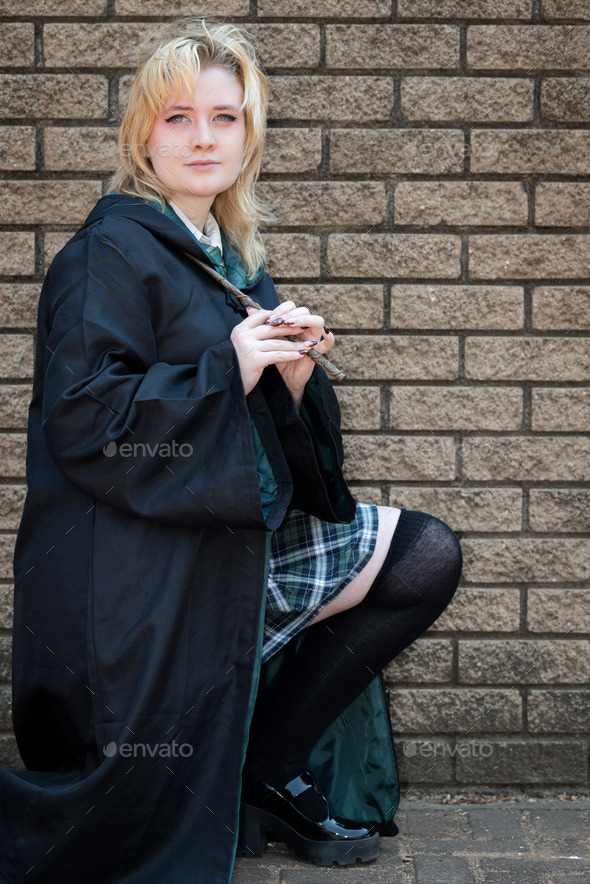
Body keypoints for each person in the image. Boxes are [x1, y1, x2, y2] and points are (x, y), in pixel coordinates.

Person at [0, 17, 463, 884]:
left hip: (224, 537)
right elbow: (86, 421)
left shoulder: (230, 258)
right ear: (143, 132)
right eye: (178, 118)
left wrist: (287, 374)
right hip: (139, 573)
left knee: (423, 556)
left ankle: (265, 766)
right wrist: (228, 364)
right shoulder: (108, 253)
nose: (203, 137)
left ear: (251, 133)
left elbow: (276, 441)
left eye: (225, 116)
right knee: (113, 814)